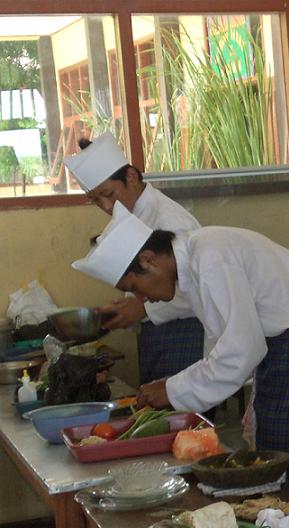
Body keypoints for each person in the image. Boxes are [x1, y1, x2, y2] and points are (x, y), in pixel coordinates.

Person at [72, 202, 289, 497]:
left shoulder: (209, 256)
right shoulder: (193, 260)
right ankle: (287, 521)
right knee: (273, 442)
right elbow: (221, 343)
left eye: (137, 287)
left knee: (288, 448)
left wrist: (171, 389)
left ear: (149, 260)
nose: (142, 298)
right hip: (282, 340)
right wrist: (182, 394)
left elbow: (239, 350)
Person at [64, 132, 204, 385]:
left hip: (184, 333)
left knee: (181, 414)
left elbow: (197, 289)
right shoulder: (128, 216)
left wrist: (143, 307)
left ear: (130, 176)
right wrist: (121, 308)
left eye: (108, 194)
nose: (106, 206)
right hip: (154, 333)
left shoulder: (171, 220)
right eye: (95, 200)